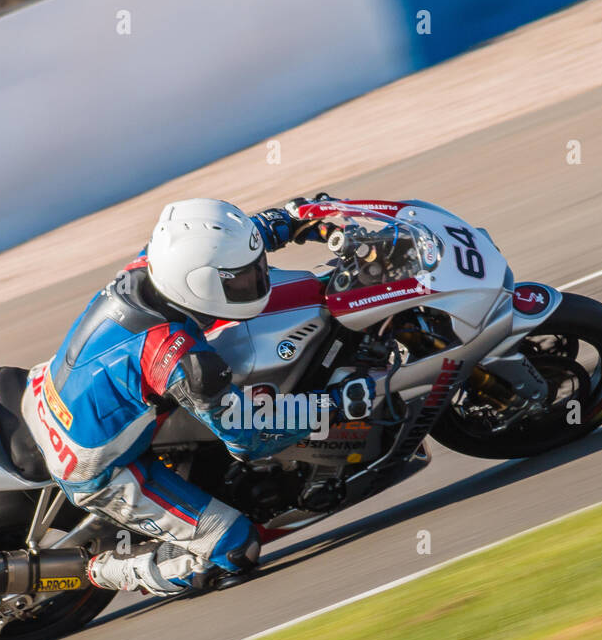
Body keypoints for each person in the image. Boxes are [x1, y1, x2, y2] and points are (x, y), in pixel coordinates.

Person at [21, 197, 371, 596]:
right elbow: (250, 437)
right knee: (237, 548)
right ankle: (97, 571)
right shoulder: (179, 360)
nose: (258, 280)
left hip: (48, 392)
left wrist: (294, 220)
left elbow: (224, 247)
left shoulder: (154, 265)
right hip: (93, 469)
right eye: (243, 279)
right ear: (198, 285)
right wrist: (337, 405)